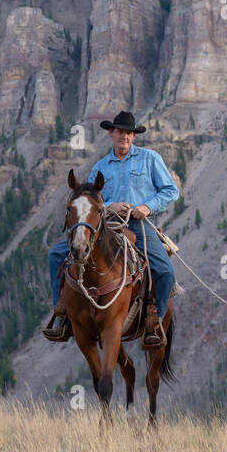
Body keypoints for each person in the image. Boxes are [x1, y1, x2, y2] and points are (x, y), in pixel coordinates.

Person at [43, 110, 178, 347]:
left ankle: (153, 321)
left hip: (139, 223)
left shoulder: (150, 158)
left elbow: (170, 191)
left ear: (134, 136)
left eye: (128, 133)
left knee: (165, 271)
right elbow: (90, 199)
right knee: (56, 255)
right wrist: (108, 205)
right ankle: (61, 314)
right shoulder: (100, 166)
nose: (124, 136)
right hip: (104, 226)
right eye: (119, 132)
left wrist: (146, 207)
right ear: (111, 133)